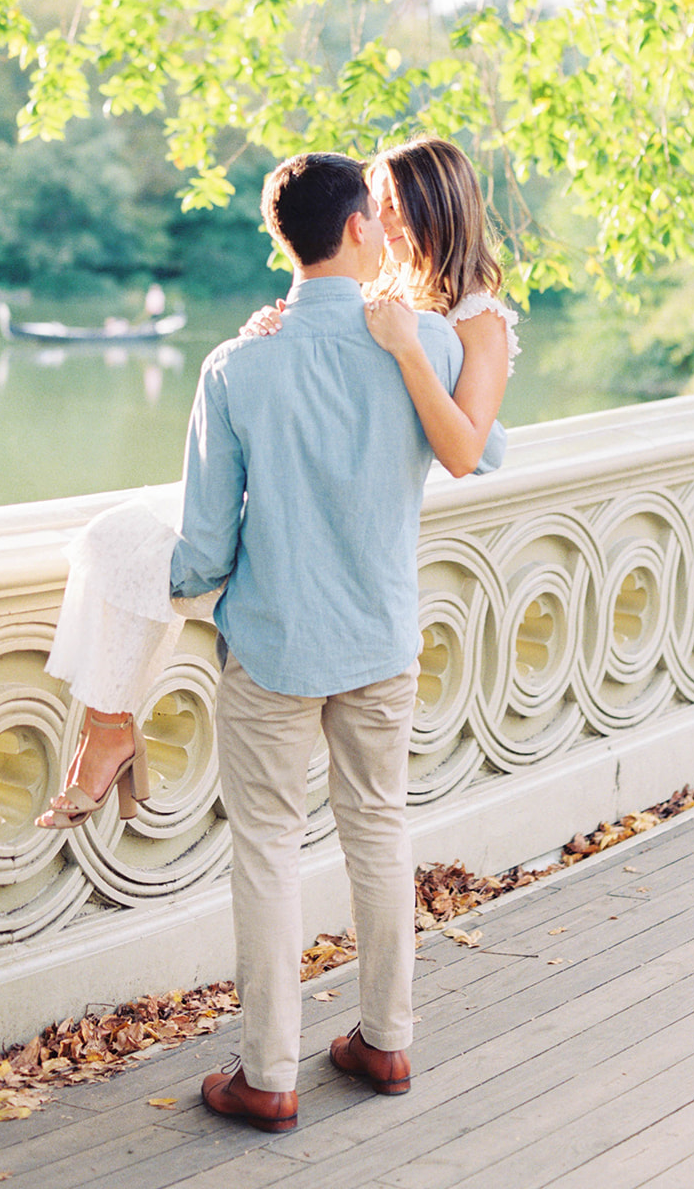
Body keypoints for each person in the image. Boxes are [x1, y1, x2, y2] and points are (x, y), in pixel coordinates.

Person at [169, 150, 503, 1132]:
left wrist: (153, 589)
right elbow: (479, 447)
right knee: (379, 830)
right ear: (360, 226)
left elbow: (202, 545)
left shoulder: (237, 362)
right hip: (380, 639)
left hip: (273, 647)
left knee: (270, 852)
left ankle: (267, 1076)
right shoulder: (432, 346)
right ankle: (385, 1040)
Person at [244, 136, 519, 477]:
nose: (379, 220)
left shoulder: (479, 318)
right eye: (374, 207)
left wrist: (408, 350)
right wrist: (283, 325)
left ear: (437, 206)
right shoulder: (372, 295)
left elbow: (466, 456)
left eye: (393, 206)